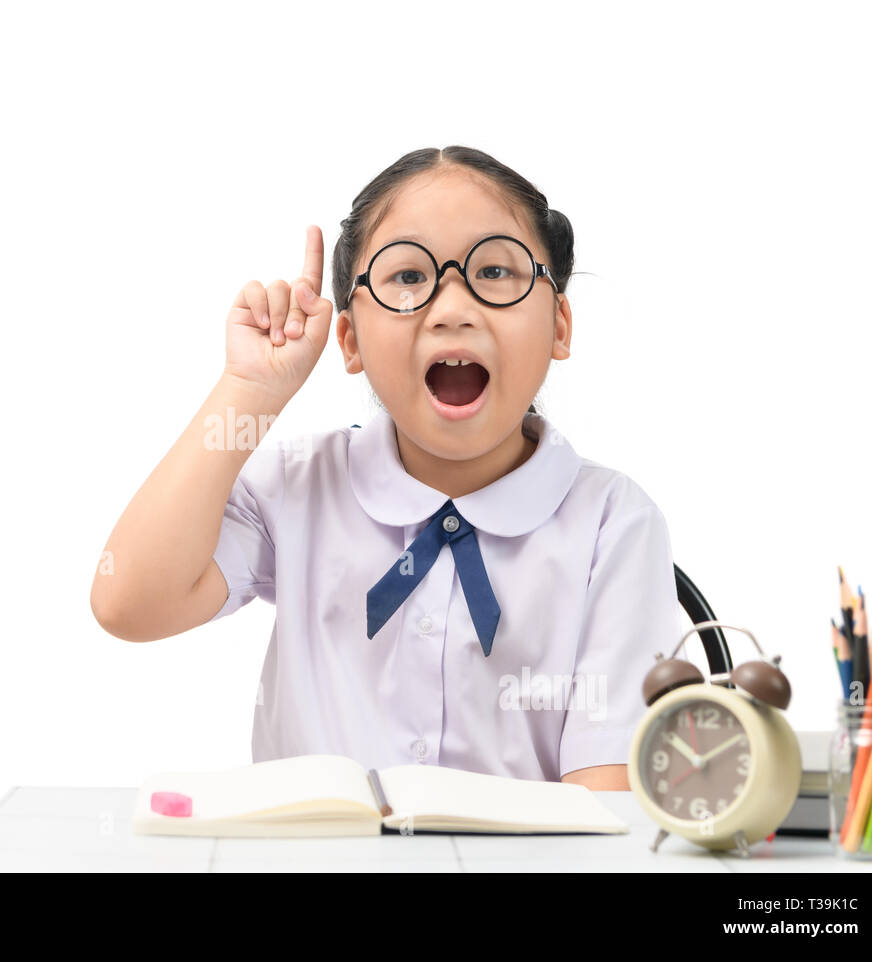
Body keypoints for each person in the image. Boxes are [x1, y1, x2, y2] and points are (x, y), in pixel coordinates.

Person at [91, 145, 680, 790]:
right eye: (407, 277)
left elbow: (607, 804)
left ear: (559, 325)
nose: (453, 308)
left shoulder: (613, 522)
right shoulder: (298, 485)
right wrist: (249, 390)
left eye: (494, 272)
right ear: (349, 340)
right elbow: (131, 603)